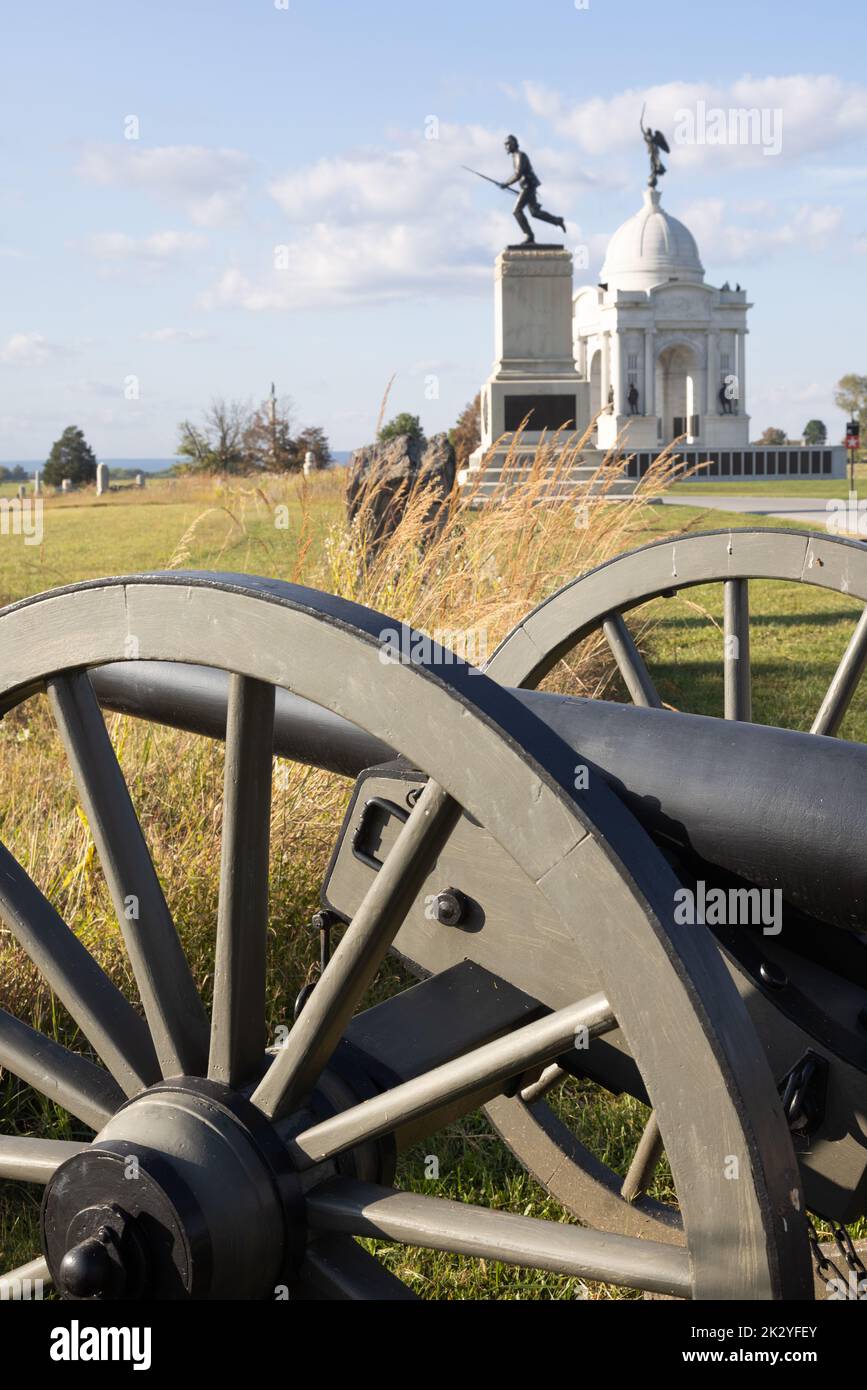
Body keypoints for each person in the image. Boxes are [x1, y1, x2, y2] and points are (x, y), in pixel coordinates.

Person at [501, 136, 566, 246]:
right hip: (527, 187)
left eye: (507, 144)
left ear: (513, 144)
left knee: (516, 211)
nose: (506, 147)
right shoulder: (515, 156)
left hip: (528, 187)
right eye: (505, 145)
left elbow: (518, 174)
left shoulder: (519, 155)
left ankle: (529, 236)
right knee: (535, 213)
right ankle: (557, 220)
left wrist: (506, 183)